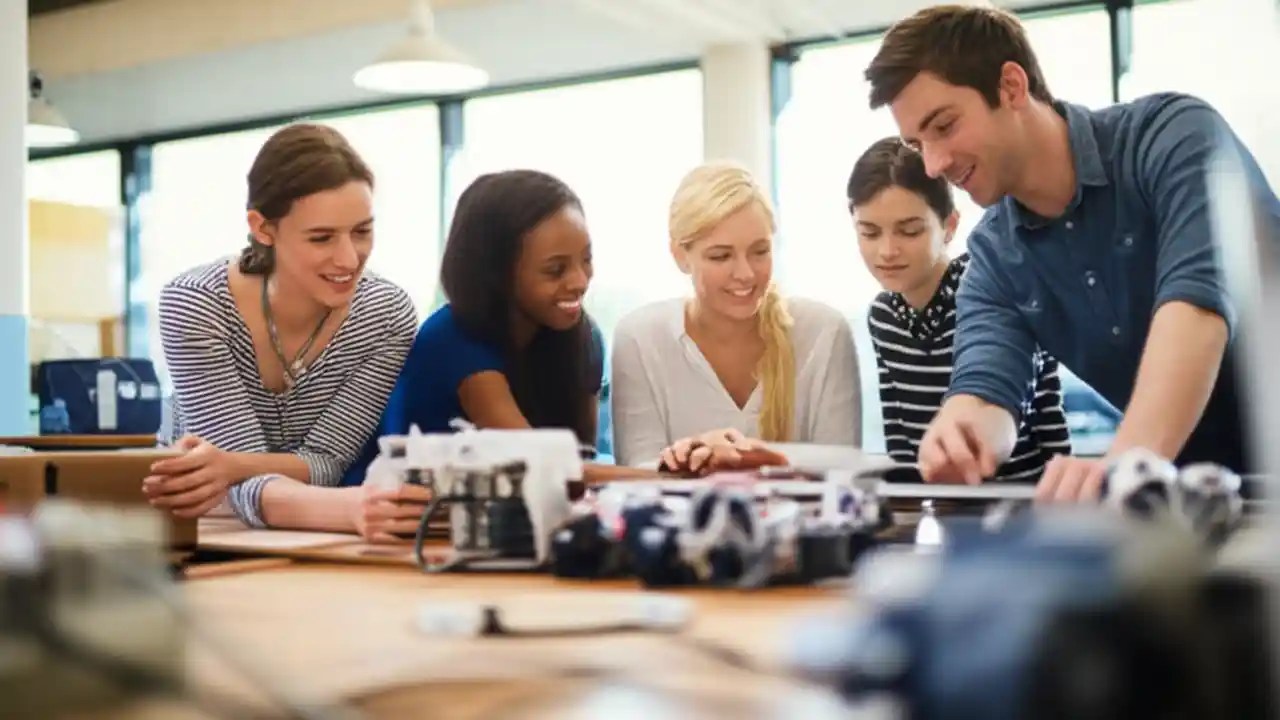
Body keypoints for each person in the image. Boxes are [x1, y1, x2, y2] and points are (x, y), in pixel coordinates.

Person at [864, 5, 1280, 501]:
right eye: (917, 144)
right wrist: (963, 430)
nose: (933, 165)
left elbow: (1196, 310)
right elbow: (987, 388)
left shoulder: (1173, 138)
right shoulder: (994, 257)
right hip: (1213, 497)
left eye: (945, 126)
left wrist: (1122, 464)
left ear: (1011, 87)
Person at [145, 123, 428, 541]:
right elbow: (236, 485)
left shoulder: (384, 315)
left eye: (362, 232)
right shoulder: (196, 304)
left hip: (310, 524)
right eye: (321, 238)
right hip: (201, 524)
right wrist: (347, 508)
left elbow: (328, 461)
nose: (349, 259)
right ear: (263, 228)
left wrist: (232, 466)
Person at [343, 169, 642, 486]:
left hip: (506, 507)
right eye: (555, 270)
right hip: (393, 506)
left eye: (586, 260)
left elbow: (581, 459)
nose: (580, 281)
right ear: (496, 273)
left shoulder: (583, 338)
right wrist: (668, 479)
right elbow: (538, 464)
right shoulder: (451, 338)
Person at [611, 161, 861, 469]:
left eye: (760, 251)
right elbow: (635, 476)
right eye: (721, 256)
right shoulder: (640, 339)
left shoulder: (825, 333)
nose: (745, 274)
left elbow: (845, 471)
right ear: (680, 256)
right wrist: (704, 459)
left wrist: (745, 458)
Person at [849, 136, 1071, 481]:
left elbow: (1047, 412)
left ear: (949, 226)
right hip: (939, 502)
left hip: (1020, 497)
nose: (887, 251)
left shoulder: (991, 290)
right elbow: (900, 440)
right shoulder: (883, 317)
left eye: (910, 231)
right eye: (870, 233)